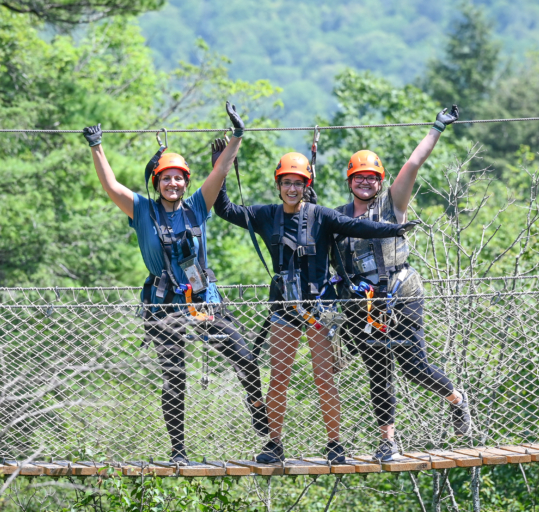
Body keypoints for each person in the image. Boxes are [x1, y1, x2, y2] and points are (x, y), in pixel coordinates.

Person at [82, 104, 269, 466]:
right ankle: (178, 450)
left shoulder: (197, 206)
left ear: (185, 182)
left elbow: (220, 172)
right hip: (164, 302)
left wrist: (237, 136)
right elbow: (111, 186)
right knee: (174, 377)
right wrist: (97, 147)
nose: (173, 184)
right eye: (166, 178)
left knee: (244, 356)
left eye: (179, 178)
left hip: (202, 298)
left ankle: (256, 406)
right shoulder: (141, 210)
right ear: (157, 183)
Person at [212, 146, 418, 465]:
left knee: (324, 377)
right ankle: (274, 444)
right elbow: (224, 209)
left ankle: (334, 444)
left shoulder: (321, 216)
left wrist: (394, 229)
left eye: (298, 183)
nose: (292, 189)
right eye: (286, 183)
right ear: (278, 185)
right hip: (284, 306)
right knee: (279, 377)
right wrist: (221, 167)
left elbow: (357, 226)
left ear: (306, 185)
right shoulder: (266, 215)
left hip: (320, 306)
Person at [330, 105, 472, 463]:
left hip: (401, 295)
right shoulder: (337, 218)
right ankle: (388, 441)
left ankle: (456, 398)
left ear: (380, 181)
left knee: (413, 367)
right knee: (378, 372)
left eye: (372, 178)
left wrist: (437, 127)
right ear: (350, 181)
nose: (365, 182)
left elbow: (413, 164)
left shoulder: (392, 205)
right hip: (361, 305)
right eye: (359, 177)